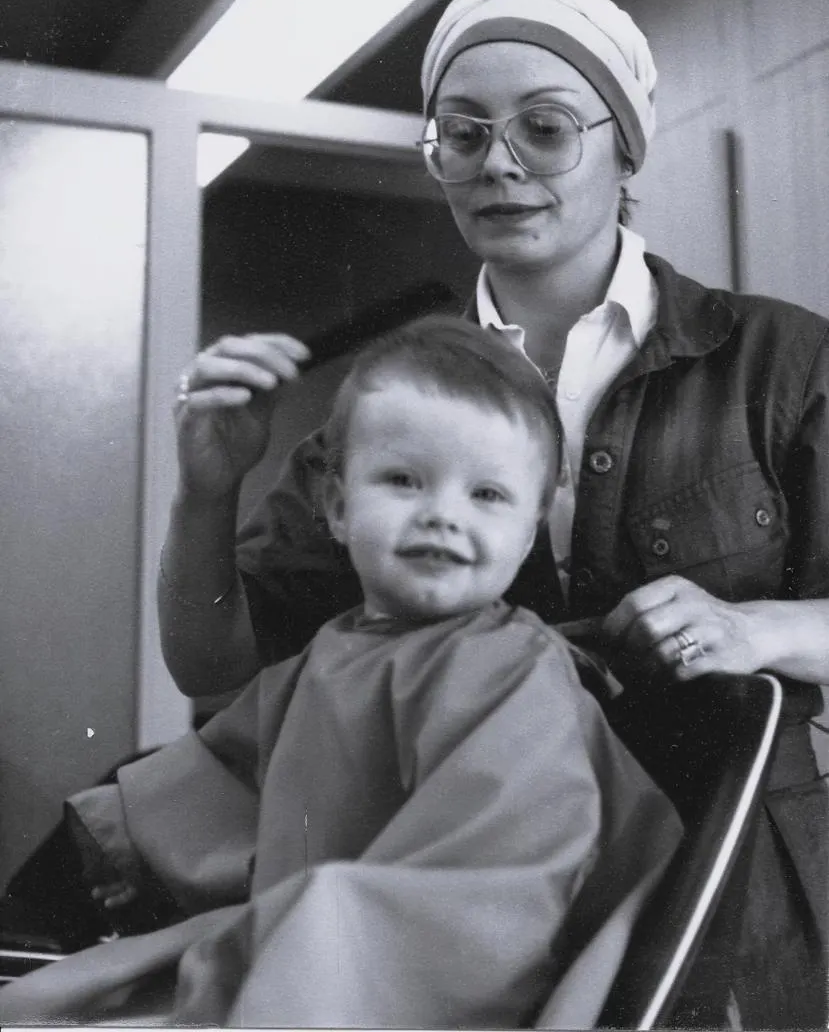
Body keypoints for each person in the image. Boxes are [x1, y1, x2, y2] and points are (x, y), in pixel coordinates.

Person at [156, 0, 829, 1029]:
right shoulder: (384, 400)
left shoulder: (777, 362)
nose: (498, 163)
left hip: (736, 908)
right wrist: (206, 490)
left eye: (544, 128)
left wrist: (753, 625)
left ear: (625, 146)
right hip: (466, 929)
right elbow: (214, 665)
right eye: (461, 135)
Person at [0, 318, 682, 1028]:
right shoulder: (337, 649)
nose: (442, 515)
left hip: (410, 982)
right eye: (402, 480)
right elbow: (222, 780)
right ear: (335, 506)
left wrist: (304, 927)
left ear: (531, 525)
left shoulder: (510, 671)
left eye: (486, 495)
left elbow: (494, 893)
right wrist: (110, 844)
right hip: (309, 945)